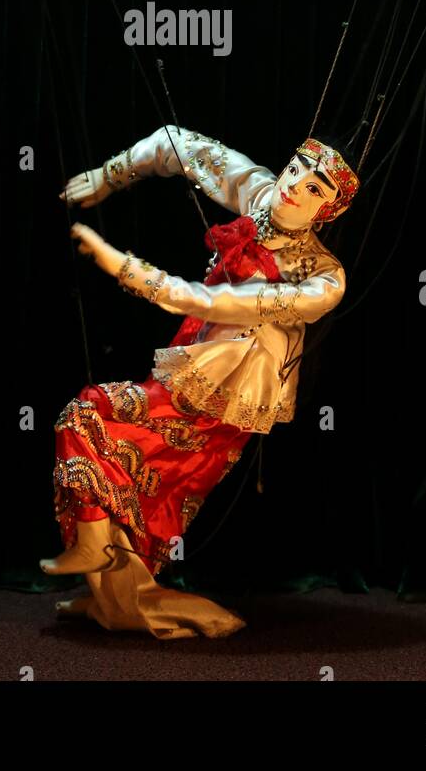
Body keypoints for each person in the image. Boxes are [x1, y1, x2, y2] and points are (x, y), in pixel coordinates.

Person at [36, 123, 360, 640]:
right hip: (194, 360)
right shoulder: (257, 191)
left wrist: (120, 265)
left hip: (228, 398)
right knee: (146, 482)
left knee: (91, 418)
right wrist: (108, 174)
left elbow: (211, 301)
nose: (295, 186)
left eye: (315, 189)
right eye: (297, 168)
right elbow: (178, 145)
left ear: (329, 211)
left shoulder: (322, 277)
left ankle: (102, 558)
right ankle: (117, 599)